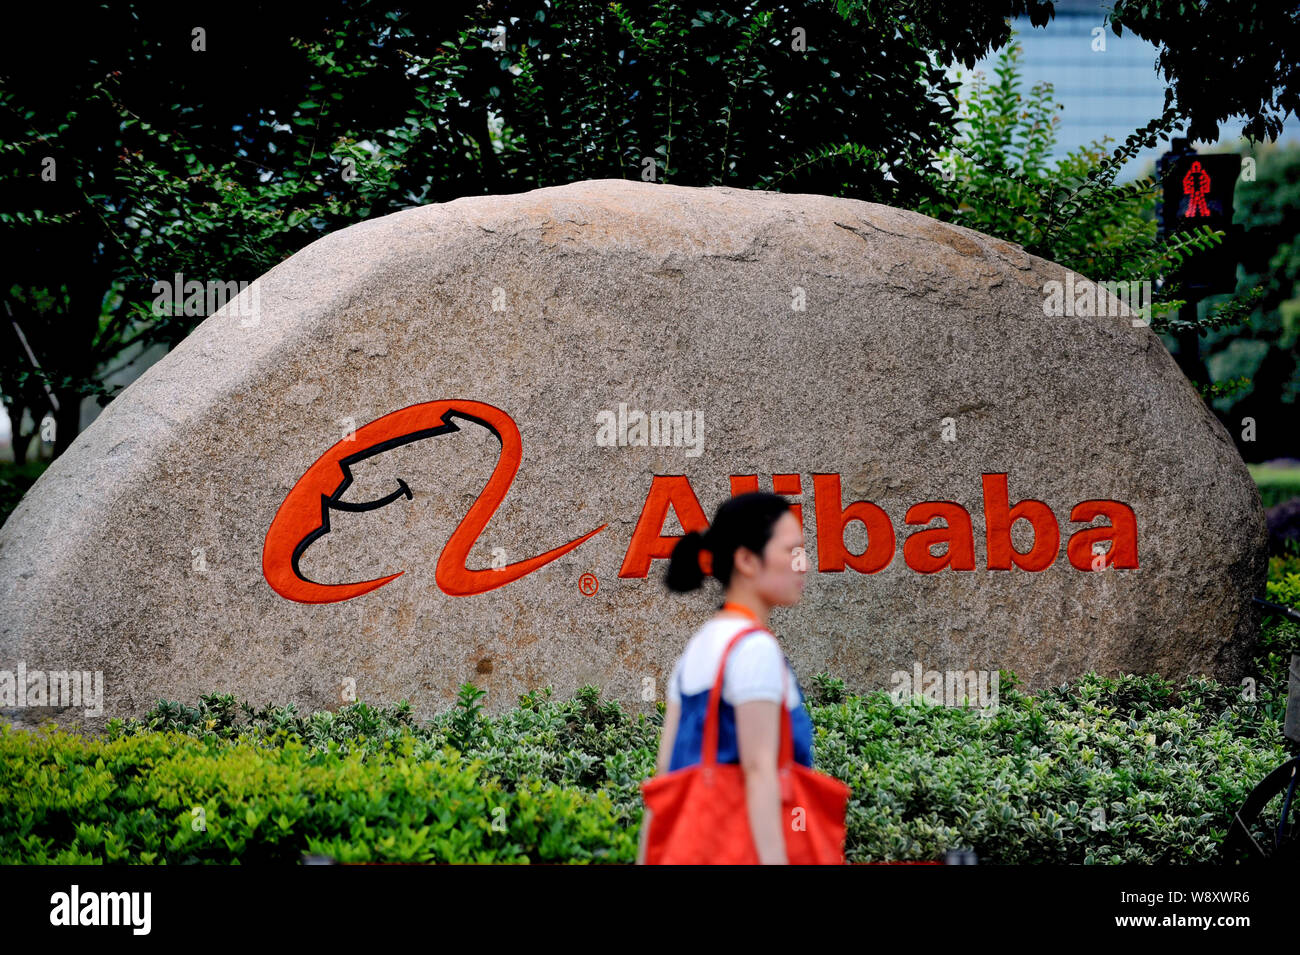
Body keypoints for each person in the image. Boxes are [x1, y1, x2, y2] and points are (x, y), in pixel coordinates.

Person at [635, 491, 812, 865]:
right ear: (747, 560)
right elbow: (760, 773)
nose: (804, 564)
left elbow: (665, 777)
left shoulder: (699, 647)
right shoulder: (755, 650)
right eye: (791, 550)